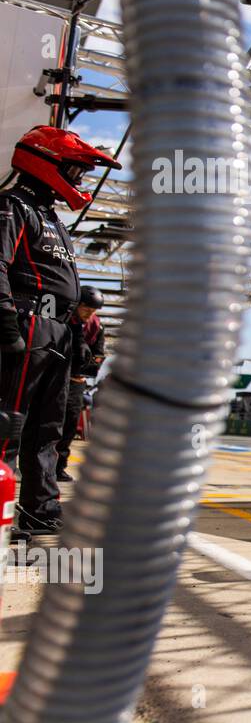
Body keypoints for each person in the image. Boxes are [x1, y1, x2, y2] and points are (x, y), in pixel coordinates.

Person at [0, 125, 120, 537]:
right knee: (8, 424)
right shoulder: (12, 205)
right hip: (25, 324)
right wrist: (6, 326)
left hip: (57, 333)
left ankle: (40, 509)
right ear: (49, 164)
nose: (80, 180)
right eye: (75, 170)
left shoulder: (51, 217)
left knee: (48, 428)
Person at [55, 284, 107, 481]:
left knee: (69, 426)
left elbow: (99, 355)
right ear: (77, 305)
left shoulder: (96, 327)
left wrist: (91, 362)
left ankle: (59, 467)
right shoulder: (64, 320)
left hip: (77, 382)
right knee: (51, 424)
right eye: (86, 309)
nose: (89, 314)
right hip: (58, 379)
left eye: (93, 311)